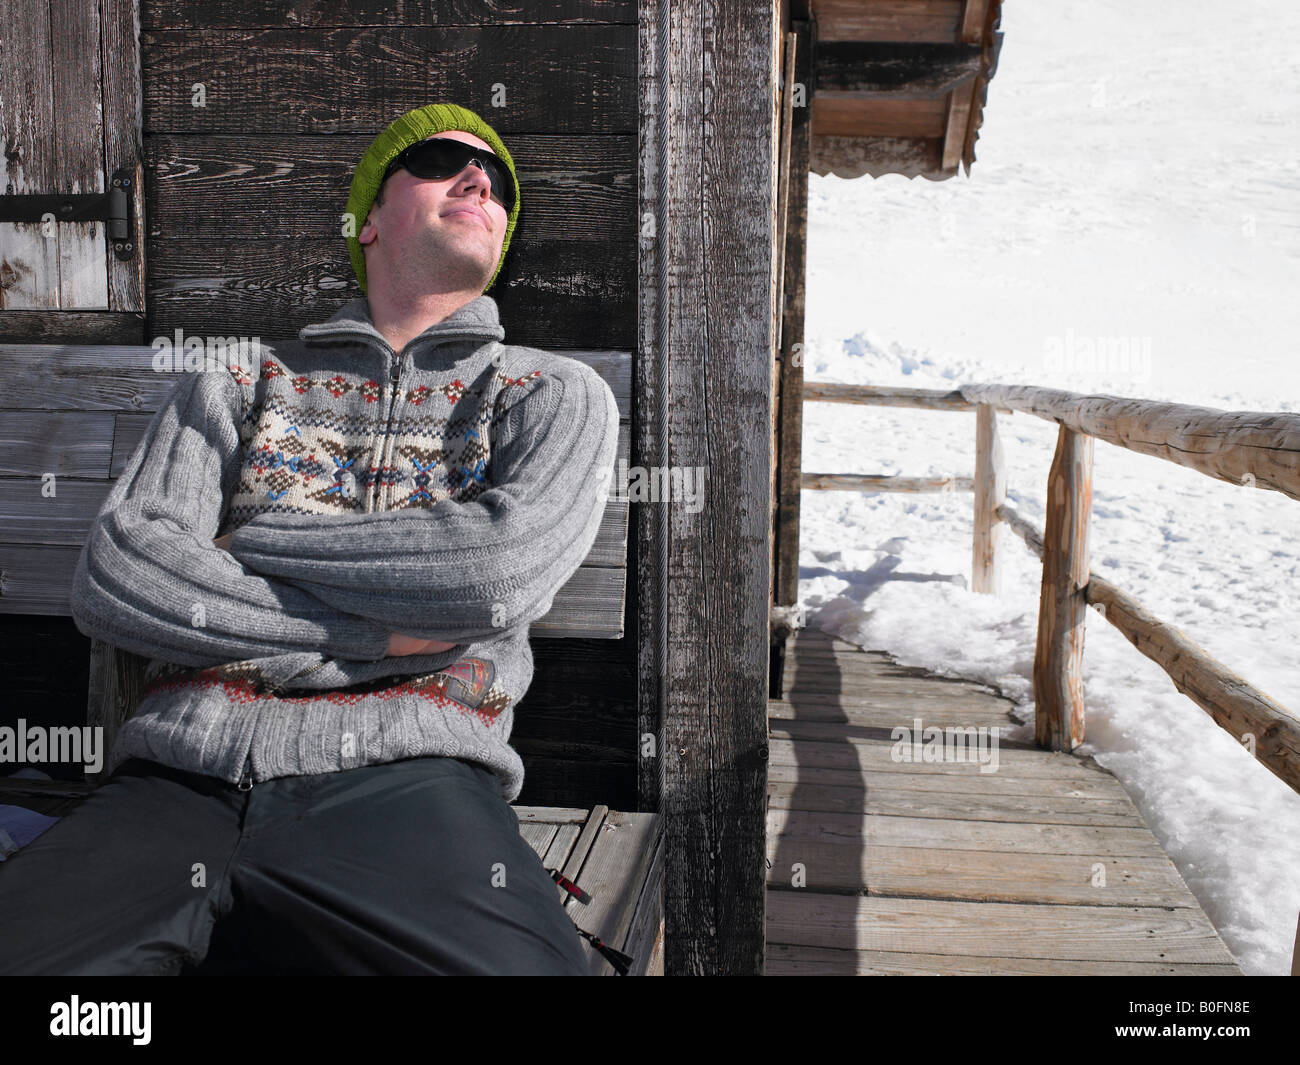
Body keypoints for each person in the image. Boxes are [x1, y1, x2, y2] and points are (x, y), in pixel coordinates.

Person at [0, 103, 620, 976]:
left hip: (406, 780)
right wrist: (379, 632)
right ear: (367, 218)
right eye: (443, 160)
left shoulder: (548, 392)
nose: (480, 180)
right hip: (181, 774)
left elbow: (489, 577)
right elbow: (120, 573)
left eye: (499, 182)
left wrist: (247, 541)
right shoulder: (241, 380)